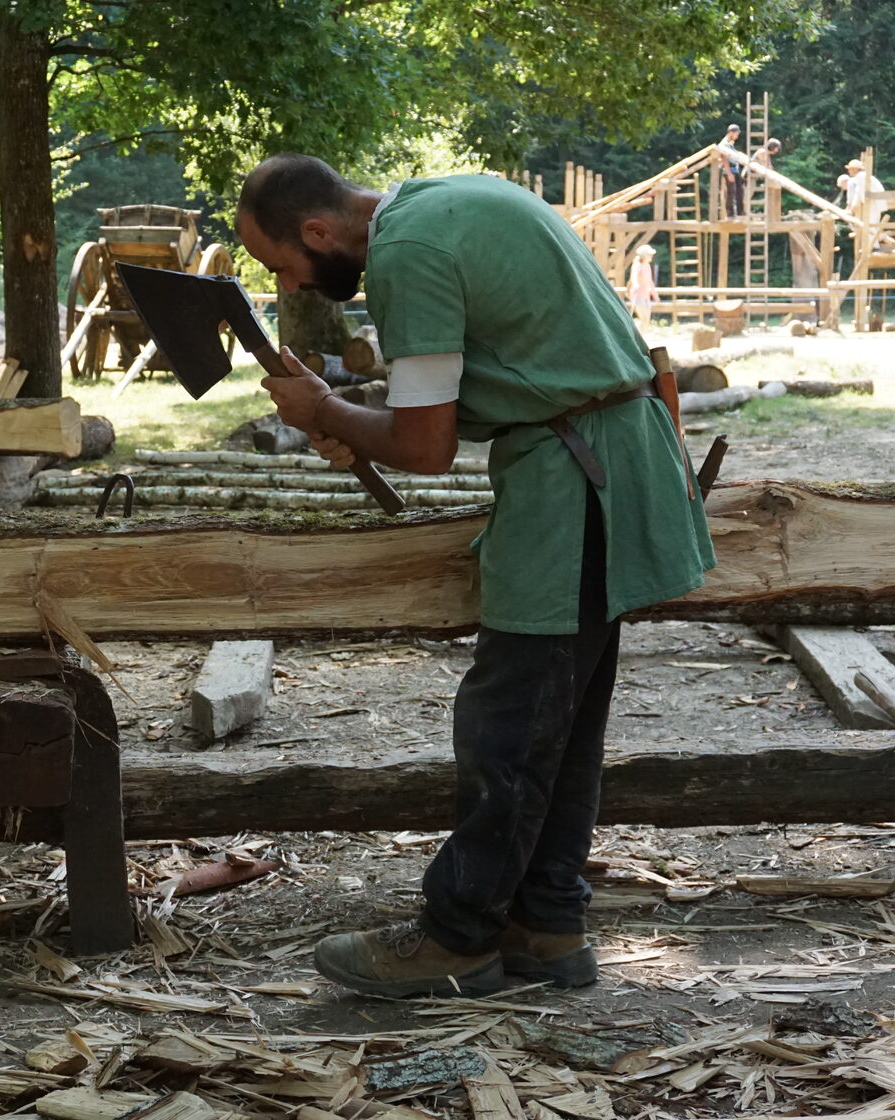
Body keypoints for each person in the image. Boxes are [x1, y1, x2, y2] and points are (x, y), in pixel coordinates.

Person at [235, 155, 715, 999]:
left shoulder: (408, 254)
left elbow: (425, 445)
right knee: (558, 731)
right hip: (606, 458)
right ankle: (548, 925)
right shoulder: (443, 202)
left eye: (285, 266)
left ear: (317, 232)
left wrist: (325, 412)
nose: (296, 284)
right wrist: (343, 408)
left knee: (510, 727)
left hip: (578, 481)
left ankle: (460, 936)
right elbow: (465, 381)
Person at [627, 245, 658, 329]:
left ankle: (641, 337)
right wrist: (636, 284)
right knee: (643, 319)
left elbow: (650, 282)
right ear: (644, 255)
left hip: (646, 296)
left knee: (646, 321)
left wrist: (655, 295)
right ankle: (637, 338)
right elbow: (633, 276)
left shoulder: (647, 266)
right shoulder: (637, 265)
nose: (651, 256)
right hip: (638, 295)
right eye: (649, 254)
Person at [718, 123, 746, 218]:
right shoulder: (724, 144)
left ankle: (740, 211)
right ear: (731, 132)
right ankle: (730, 213)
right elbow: (724, 158)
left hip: (735, 169)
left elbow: (733, 154)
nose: (737, 137)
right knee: (732, 191)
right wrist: (728, 172)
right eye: (736, 134)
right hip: (729, 169)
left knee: (740, 190)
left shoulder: (730, 143)